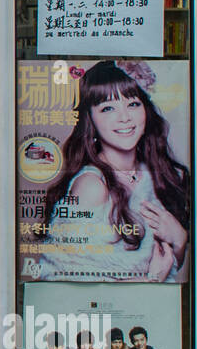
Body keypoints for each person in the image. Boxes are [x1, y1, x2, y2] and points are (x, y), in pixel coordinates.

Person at [39, 61, 190, 282]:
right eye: (108, 108)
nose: (125, 117)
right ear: (90, 119)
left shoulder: (151, 174)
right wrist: (151, 279)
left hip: (149, 312)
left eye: (133, 104)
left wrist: (180, 240)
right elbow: (61, 279)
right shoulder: (92, 186)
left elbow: (167, 266)